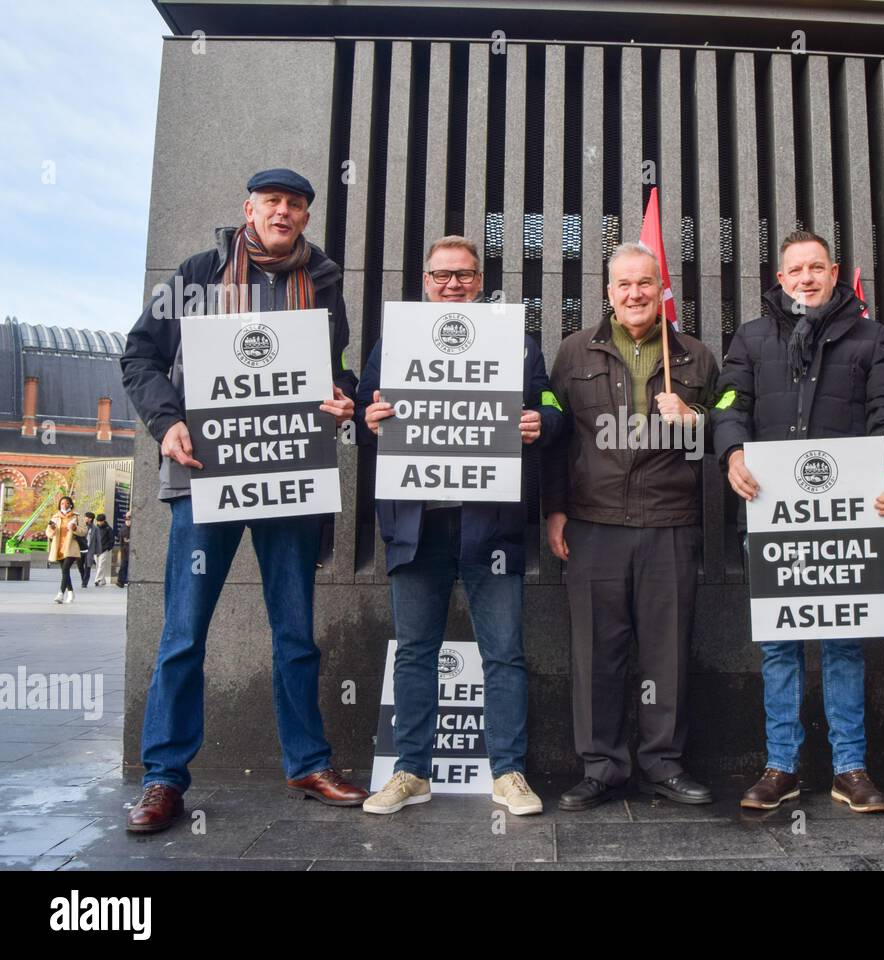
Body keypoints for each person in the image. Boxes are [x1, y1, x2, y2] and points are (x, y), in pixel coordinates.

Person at [120, 168, 365, 833]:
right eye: (273, 202)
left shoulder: (323, 281)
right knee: (182, 635)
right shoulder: (199, 271)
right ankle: (164, 779)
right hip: (206, 474)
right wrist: (165, 420)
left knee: (295, 633)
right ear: (249, 208)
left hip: (288, 476)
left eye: (296, 205)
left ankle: (307, 761)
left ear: (306, 218)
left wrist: (342, 394)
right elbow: (139, 354)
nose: (283, 212)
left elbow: (333, 364)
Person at [357, 236, 562, 817]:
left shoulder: (518, 346)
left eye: (465, 275)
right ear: (425, 281)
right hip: (415, 525)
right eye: (443, 275)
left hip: (490, 528)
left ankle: (509, 772)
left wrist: (539, 421)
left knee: (504, 652)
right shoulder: (392, 345)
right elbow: (365, 409)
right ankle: (411, 773)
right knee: (416, 652)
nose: (453, 285)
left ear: (480, 280)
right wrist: (370, 419)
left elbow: (552, 406)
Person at [713, 229, 884, 813]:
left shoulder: (871, 338)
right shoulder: (750, 339)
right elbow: (729, 404)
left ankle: (850, 768)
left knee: (845, 644)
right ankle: (782, 767)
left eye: (816, 268)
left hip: (848, 521)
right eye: (795, 269)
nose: (805, 278)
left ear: (833, 273)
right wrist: (732, 452)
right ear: (780, 279)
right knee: (779, 646)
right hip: (773, 518)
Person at [543, 241, 719, 811]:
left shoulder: (693, 355)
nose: (636, 294)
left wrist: (695, 418)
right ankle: (600, 767)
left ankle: (663, 765)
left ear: (661, 291)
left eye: (646, 283)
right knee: (596, 652)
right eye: (625, 285)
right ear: (608, 291)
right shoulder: (573, 353)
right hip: (594, 523)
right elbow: (555, 437)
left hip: (669, 521)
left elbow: (725, 430)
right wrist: (555, 508)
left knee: (666, 653)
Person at [47, 496, 81, 604]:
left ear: (71, 504)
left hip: (71, 547)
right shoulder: (55, 517)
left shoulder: (76, 517)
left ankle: (60, 594)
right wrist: (52, 529)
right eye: (62, 503)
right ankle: (70, 592)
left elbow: (83, 531)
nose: (64, 505)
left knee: (65, 569)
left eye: (66, 503)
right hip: (59, 547)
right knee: (65, 572)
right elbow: (48, 533)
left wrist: (75, 528)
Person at [89, 513, 115, 586]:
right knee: (98, 566)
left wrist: (108, 548)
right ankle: (103, 580)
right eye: (98, 521)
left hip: (104, 550)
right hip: (96, 550)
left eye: (101, 521)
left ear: (104, 521)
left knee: (101, 565)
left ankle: (97, 580)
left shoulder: (108, 529)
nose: (99, 522)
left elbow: (112, 539)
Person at [77, 511, 94, 588]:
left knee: (87, 567)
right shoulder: (81, 527)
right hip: (80, 550)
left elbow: (97, 540)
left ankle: (84, 582)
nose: (85, 518)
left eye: (86, 517)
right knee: (80, 566)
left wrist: (97, 551)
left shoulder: (94, 528)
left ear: (90, 519)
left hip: (89, 550)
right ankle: (83, 578)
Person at [115, 512, 131, 587]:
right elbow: (120, 538)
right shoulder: (123, 528)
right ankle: (121, 581)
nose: (127, 521)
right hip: (125, 550)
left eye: (129, 520)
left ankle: (123, 580)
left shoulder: (127, 528)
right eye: (126, 520)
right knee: (123, 566)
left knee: (125, 566)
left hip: (130, 551)